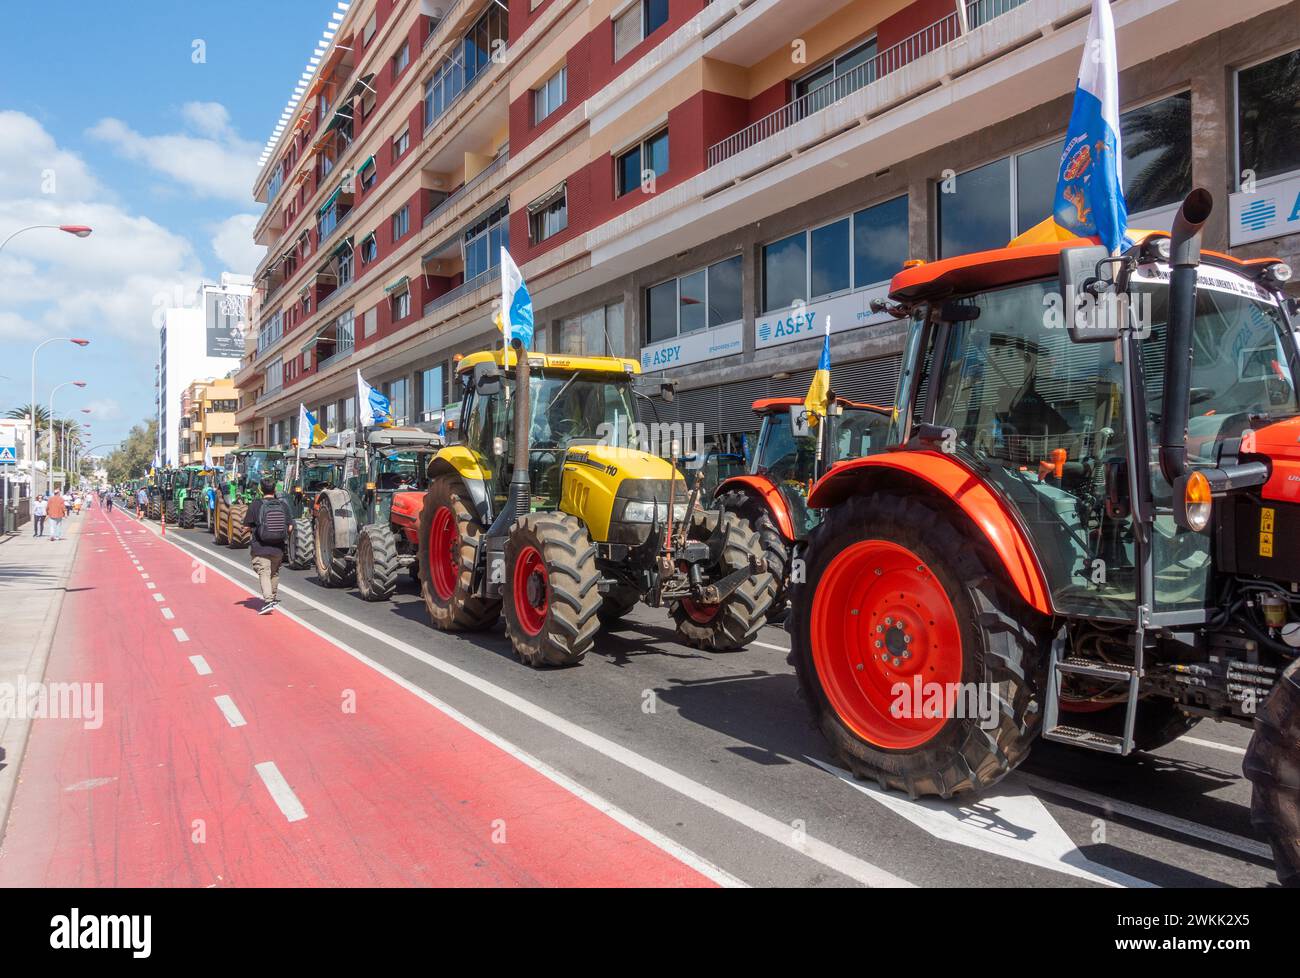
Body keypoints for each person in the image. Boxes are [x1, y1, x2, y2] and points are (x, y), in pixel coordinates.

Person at [243, 474, 289, 615]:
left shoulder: (256, 505)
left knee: (264, 572)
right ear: (274, 489)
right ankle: (273, 598)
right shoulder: (282, 505)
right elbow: (290, 527)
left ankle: (268, 601)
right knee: (274, 573)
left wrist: (251, 530)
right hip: (278, 548)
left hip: (260, 547)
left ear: (261, 490)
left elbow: (246, 526)